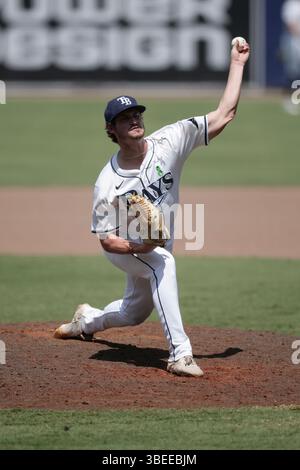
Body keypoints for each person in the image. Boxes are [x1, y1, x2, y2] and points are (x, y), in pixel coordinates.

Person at [54, 39, 250, 377]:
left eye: (136, 113)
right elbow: (104, 239)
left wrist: (237, 63)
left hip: (155, 241)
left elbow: (224, 114)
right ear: (111, 130)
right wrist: (137, 246)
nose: (133, 119)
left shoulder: (170, 141)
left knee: (134, 313)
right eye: (124, 117)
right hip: (125, 246)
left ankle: (85, 321)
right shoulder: (107, 183)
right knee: (163, 264)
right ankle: (180, 355)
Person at [280, 0, 300, 115]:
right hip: (293, 41)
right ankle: (290, 100)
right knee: (293, 73)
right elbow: (291, 24)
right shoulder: (291, 4)